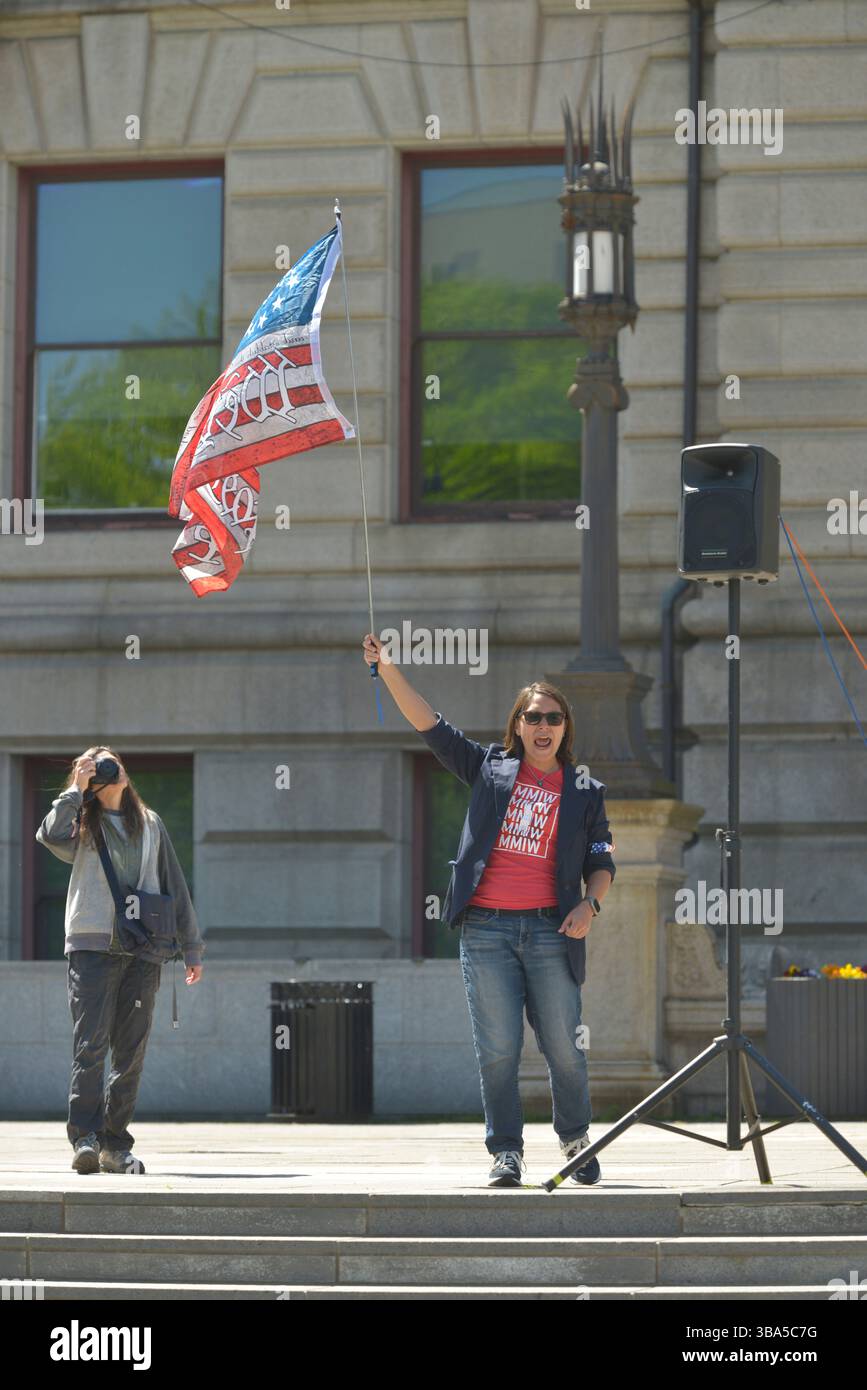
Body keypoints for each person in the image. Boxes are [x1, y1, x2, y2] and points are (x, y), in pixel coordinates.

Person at [362, 634, 616, 1188]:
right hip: (486, 931)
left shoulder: (584, 788)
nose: (543, 726)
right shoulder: (490, 769)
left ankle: (575, 1139)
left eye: (553, 717)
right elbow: (429, 723)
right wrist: (388, 668)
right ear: (517, 726)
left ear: (565, 727)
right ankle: (506, 1153)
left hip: (552, 930)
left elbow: (602, 861)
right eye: (532, 717)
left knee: (564, 1048)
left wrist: (589, 904)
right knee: (499, 1050)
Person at [36, 747, 204, 1175]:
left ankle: (115, 1144)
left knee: (131, 1052)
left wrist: (191, 946)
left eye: (114, 762)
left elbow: (174, 883)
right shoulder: (81, 824)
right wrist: (75, 788)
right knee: (90, 1046)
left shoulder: (149, 824)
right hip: (92, 948)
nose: (114, 768)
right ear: (92, 779)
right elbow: (50, 834)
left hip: (143, 948)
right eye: (101, 765)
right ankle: (86, 1140)